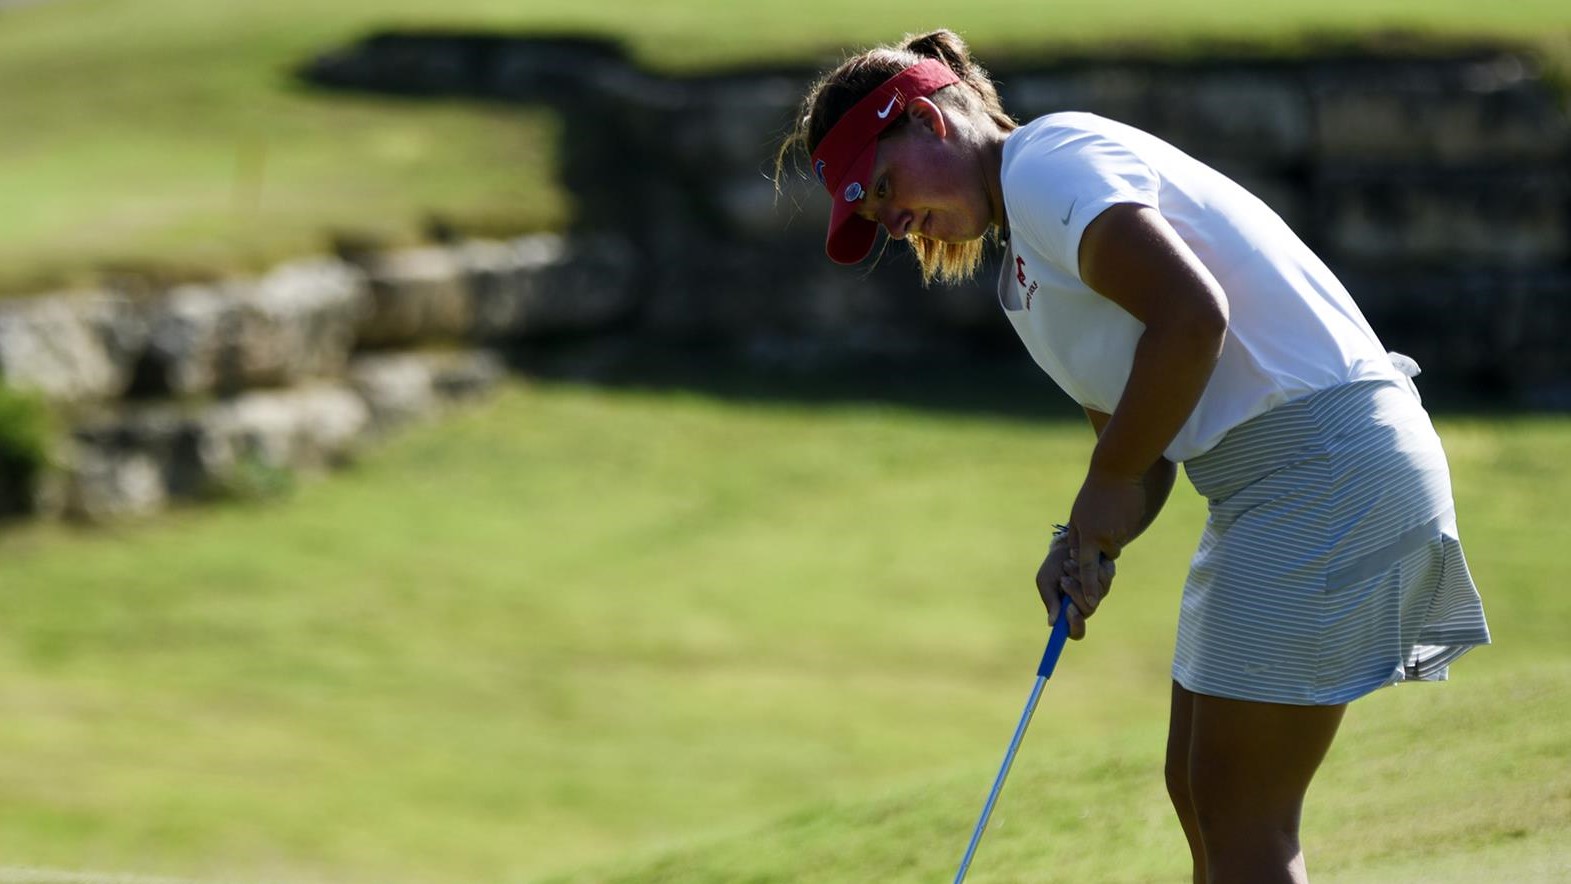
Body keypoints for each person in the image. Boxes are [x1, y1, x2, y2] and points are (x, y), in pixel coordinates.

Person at [774, 29, 1491, 884]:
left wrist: (1105, 486)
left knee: (1242, 819)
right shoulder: (1022, 281)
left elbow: (1193, 317)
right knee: (1199, 794)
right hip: (1278, 483)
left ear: (930, 118)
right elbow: (1140, 449)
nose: (890, 221)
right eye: (871, 215)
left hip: (1323, 463)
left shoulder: (1045, 160)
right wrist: (1086, 539)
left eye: (883, 188)